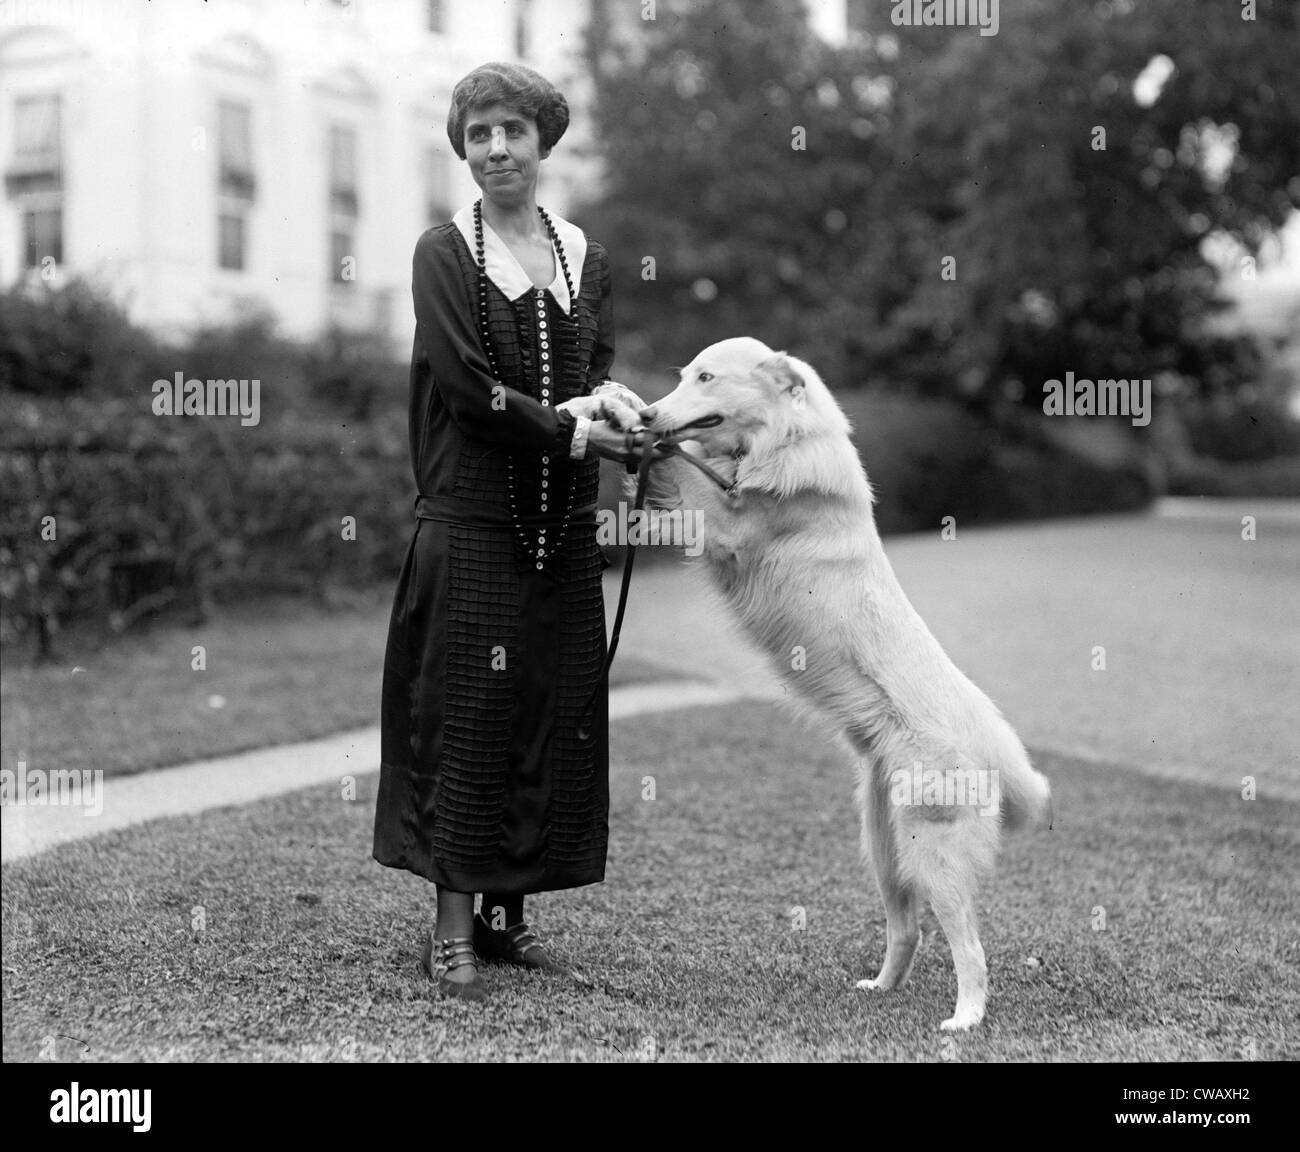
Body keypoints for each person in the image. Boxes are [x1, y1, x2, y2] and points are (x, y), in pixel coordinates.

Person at [373, 61, 646, 1001]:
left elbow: (591, 371)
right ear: (463, 146)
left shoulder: (586, 258)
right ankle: (451, 931)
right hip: (476, 525)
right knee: (469, 719)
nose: (496, 148)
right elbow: (469, 392)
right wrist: (575, 428)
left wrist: (618, 413)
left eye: (512, 131)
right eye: (479, 132)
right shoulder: (442, 254)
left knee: (548, 711)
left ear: (543, 142)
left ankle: (504, 918)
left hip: (563, 527)